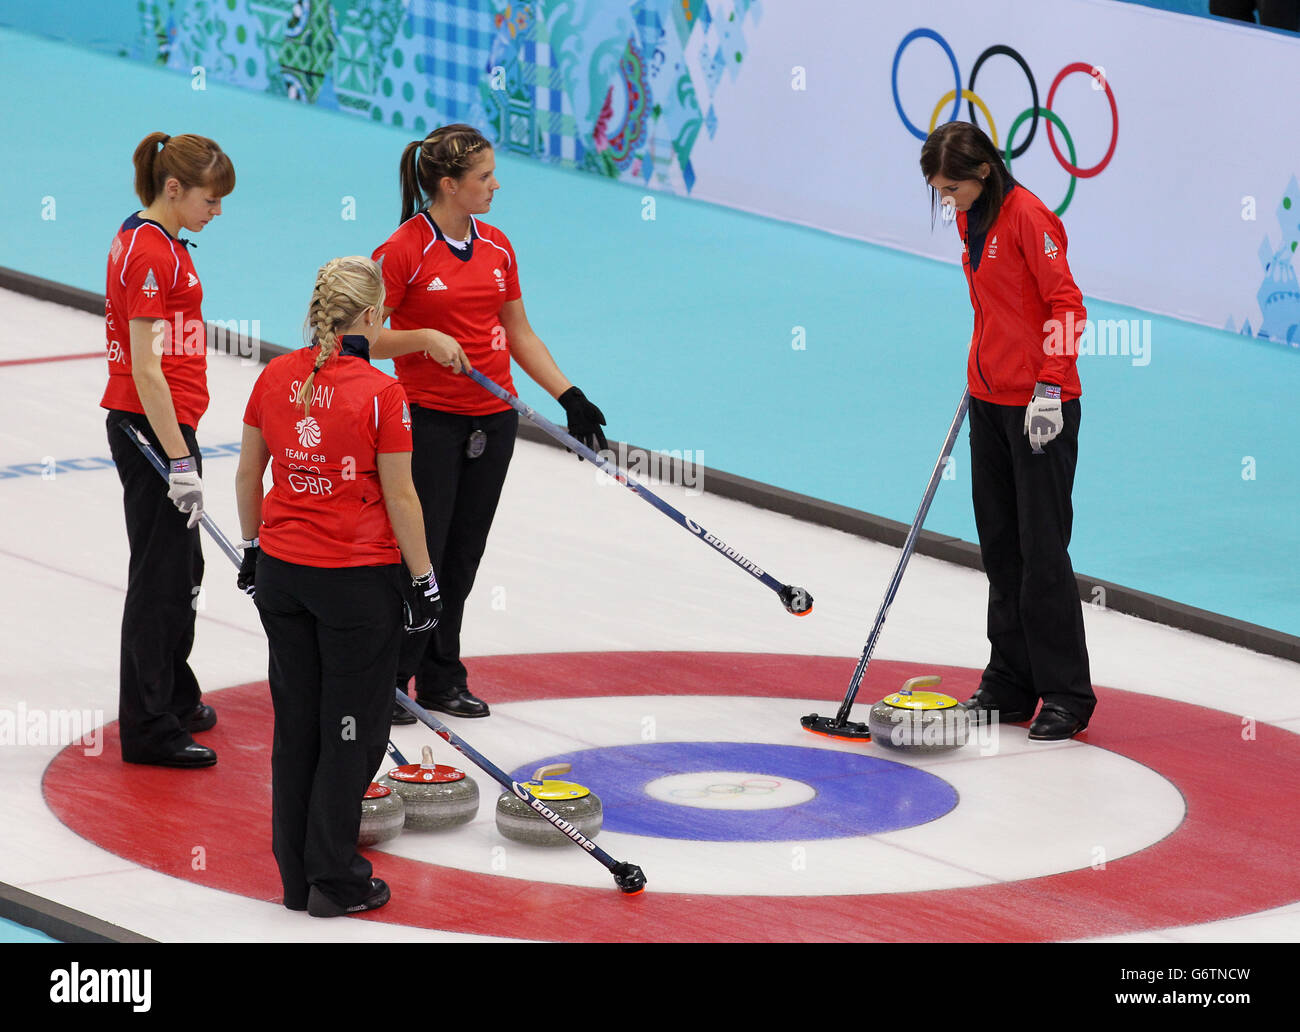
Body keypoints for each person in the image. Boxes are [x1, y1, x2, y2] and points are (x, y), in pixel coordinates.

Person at [370, 123, 609, 722]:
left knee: (464, 555)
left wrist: (568, 394)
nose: (496, 186)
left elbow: (519, 332)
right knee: (418, 553)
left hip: (493, 421)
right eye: (484, 178)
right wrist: (423, 337)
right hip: (426, 422)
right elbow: (363, 337)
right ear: (448, 185)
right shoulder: (401, 250)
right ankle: (391, 674)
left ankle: (442, 675)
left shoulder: (498, 246)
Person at [234, 256, 441, 917]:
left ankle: (296, 878)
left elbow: (248, 474)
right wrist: (424, 579)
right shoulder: (381, 393)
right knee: (351, 730)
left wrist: (251, 547)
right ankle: (336, 880)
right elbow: (402, 497)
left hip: (284, 576)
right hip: (354, 585)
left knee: (298, 727)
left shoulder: (275, 376)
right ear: (374, 318)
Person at [920, 120, 1094, 742]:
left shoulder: (1029, 217)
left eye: (952, 188)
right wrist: (979, 374)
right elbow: (992, 308)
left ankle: (1067, 693)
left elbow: (1067, 306)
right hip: (990, 402)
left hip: (1040, 408)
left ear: (984, 172)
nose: (947, 201)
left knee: (1042, 550)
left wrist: (1050, 385)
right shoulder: (972, 221)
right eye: (939, 190)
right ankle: (1010, 681)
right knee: (1000, 546)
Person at [102, 132, 235, 768]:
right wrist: (178, 459)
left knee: (184, 571)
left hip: (170, 425)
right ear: (175, 190)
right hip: (152, 429)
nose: (217, 213)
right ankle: (148, 728)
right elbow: (146, 368)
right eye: (211, 201)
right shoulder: (149, 253)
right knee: (160, 580)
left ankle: (174, 695)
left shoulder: (165, 240)